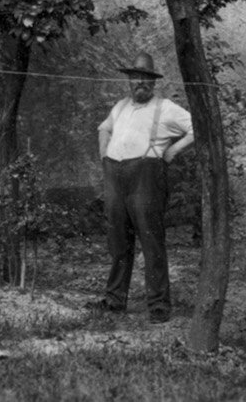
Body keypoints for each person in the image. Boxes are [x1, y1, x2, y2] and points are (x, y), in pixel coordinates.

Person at [87, 55, 193, 318]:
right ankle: (115, 300)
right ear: (129, 80)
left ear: (153, 82)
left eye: (146, 78)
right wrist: (104, 153)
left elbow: (197, 127)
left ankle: (158, 305)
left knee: (151, 240)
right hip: (115, 176)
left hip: (146, 177)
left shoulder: (165, 108)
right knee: (118, 240)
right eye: (136, 78)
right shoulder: (121, 106)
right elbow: (104, 128)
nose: (140, 83)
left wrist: (173, 151)